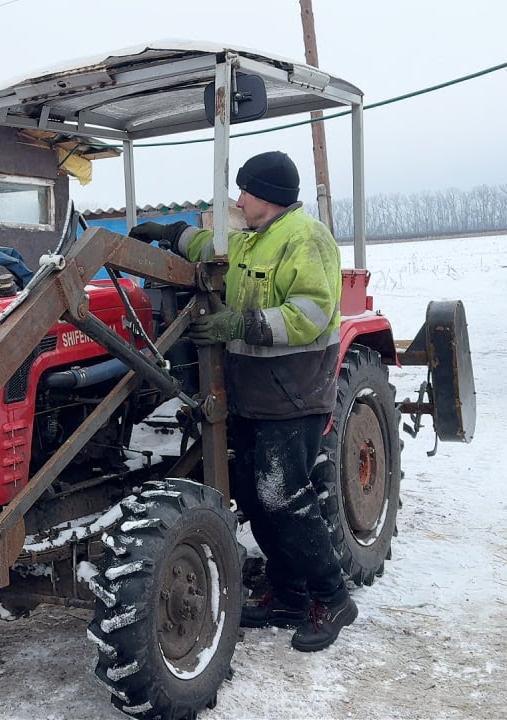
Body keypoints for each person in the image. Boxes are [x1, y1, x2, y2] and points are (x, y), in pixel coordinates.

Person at [128, 151, 356, 652]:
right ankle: (289, 594)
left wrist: (241, 324)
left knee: (284, 497)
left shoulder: (306, 239)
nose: (238, 200)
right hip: (254, 394)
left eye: (246, 192)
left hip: (292, 394)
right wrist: (170, 234)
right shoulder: (253, 239)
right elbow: (213, 247)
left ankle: (332, 597)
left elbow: (312, 313)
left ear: (268, 196)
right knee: (255, 496)